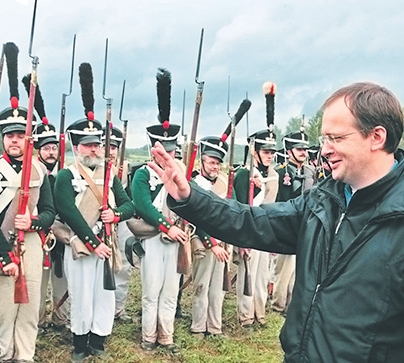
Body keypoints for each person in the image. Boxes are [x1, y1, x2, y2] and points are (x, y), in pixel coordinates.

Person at [148, 82, 404, 362]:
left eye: (336, 138)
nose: (324, 149)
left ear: (377, 137)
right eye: (324, 139)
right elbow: (251, 221)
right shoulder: (322, 200)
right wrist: (190, 197)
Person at [53, 62, 134, 362]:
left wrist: (116, 216)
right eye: (87, 145)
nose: (94, 150)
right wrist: (92, 242)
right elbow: (68, 213)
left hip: (106, 243)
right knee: (81, 295)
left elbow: (129, 204)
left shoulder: (109, 173)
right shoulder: (66, 176)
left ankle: (98, 341)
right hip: (81, 244)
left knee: (104, 295)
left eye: (96, 145)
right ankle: (79, 344)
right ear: (76, 146)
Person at [0, 42, 55, 362]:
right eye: (9, 135)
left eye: (20, 135)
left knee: (29, 304)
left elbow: (48, 212)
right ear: (4, 138)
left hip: (32, 244)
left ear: (27, 137)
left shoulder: (38, 170)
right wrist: (5, 254)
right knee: (4, 310)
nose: (15, 140)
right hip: (2, 247)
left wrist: (33, 222)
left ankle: (24, 355)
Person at [131, 68, 187, 353]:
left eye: (172, 149)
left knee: (171, 290)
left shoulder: (181, 174)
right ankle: (148, 336)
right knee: (151, 290)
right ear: (154, 149)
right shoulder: (142, 174)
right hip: (154, 236)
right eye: (163, 149)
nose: (169, 154)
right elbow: (142, 206)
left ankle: (167, 336)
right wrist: (167, 226)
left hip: (176, 236)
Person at [233, 128, 279, 329]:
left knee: (262, 275)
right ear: (255, 152)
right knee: (247, 275)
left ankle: (259, 313)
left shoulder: (272, 176)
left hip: (264, 231)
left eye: (271, 152)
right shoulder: (244, 175)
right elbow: (240, 208)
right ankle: (246, 316)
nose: (269, 156)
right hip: (249, 232)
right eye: (265, 152)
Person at [270, 130, 317, 315]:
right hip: (286, 227)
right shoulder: (280, 173)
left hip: (304, 228)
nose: (303, 153)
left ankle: (291, 307)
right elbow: (277, 202)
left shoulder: (310, 172)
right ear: (289, 151)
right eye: (299, 149)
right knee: (283, 271)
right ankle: (277, 306)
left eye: (305, 149)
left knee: (298, 272)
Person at [189, 136, 230, 339]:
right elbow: (196, 218)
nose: (215, 167)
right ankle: (198, 326)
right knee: (201, 285)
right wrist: (212, 244)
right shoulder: (195, 184)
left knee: (217, 287)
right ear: (201, 162)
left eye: (218, 162)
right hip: (203, 241)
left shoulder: (223, 182)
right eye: (211, 162)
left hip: (222, 240)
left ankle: (215, 326)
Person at [34, 122, 70, 332]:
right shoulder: (33, 175)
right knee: (37, 283)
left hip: (60, 237)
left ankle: (60, 319)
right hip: (38, 235)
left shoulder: (62, 177)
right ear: (38, 151)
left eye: (54, 148)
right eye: (46, 148)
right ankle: (37, 321)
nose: (51, 152)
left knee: (61, 281)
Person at [102, 125, 135, 322]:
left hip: (122, 221)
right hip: (100, 223)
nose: (111, 151)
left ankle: (118, 308)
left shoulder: (127, 170)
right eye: (107, 146)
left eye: (114, 147)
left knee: (123, 264)